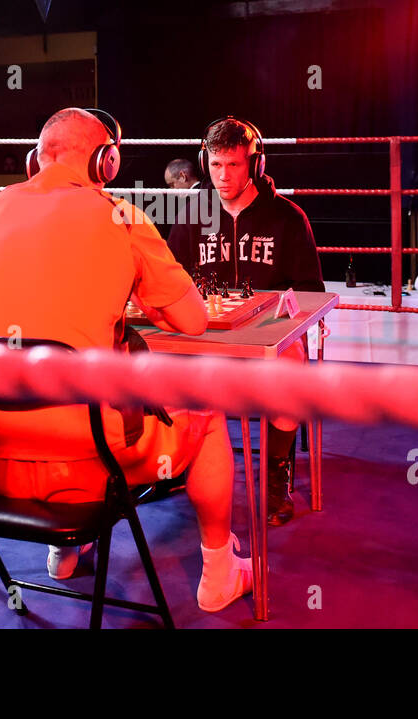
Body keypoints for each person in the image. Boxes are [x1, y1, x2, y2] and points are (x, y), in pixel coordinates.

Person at [0, 108, 252, 613]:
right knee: (207, 409)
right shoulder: (122, 217)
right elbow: (195, 322)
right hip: (84, 465)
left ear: (35, 162)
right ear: (106, 163)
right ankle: (220, 572)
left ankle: (65, 551)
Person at [168, 116, 325, 526]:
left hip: (268, 344)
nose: (223, 176)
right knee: (154, 369)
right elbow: (171, 281)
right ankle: (177, 462)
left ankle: (277, 477)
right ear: (205, 163)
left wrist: (278, 319)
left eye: (234, 165)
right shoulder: (190, 216)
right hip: (206, 341)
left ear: (254, 164)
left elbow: (310, 291)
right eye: (216, 165)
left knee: (291, 368)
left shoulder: (288, 218)